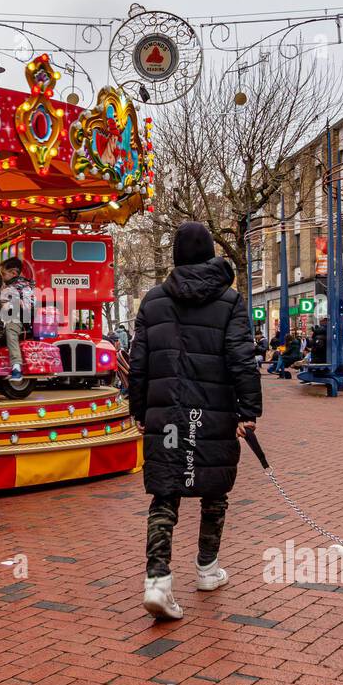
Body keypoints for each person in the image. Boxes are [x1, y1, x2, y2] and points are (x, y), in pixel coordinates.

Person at [129, 222, 262, 621]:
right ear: (209, 254)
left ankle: (158, 581)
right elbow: (242, 358)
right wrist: (249, 411)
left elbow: (137, 365)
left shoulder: (152, 302)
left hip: (167, 413)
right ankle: (207, 569)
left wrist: (138, 410)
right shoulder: (230, 300)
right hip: (213, 412)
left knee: (165, 492)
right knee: (214, 491)